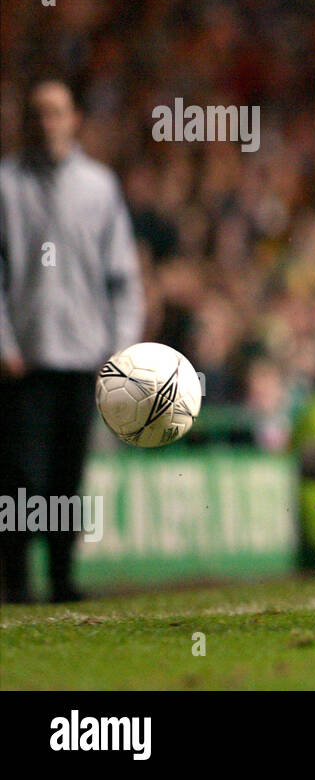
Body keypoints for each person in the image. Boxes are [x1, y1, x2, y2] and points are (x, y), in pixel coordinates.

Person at [0, 80, 144, 603]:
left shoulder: (99, 186)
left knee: (67, 475)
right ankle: (16, 580)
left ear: (74, 118)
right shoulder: (6, 184)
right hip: (25, 357)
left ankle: (61, 578)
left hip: (84, 357)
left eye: (56, 112)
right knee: (19, 475)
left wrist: (120, 346)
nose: (47, 123)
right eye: (37, 113)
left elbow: (122, 274)